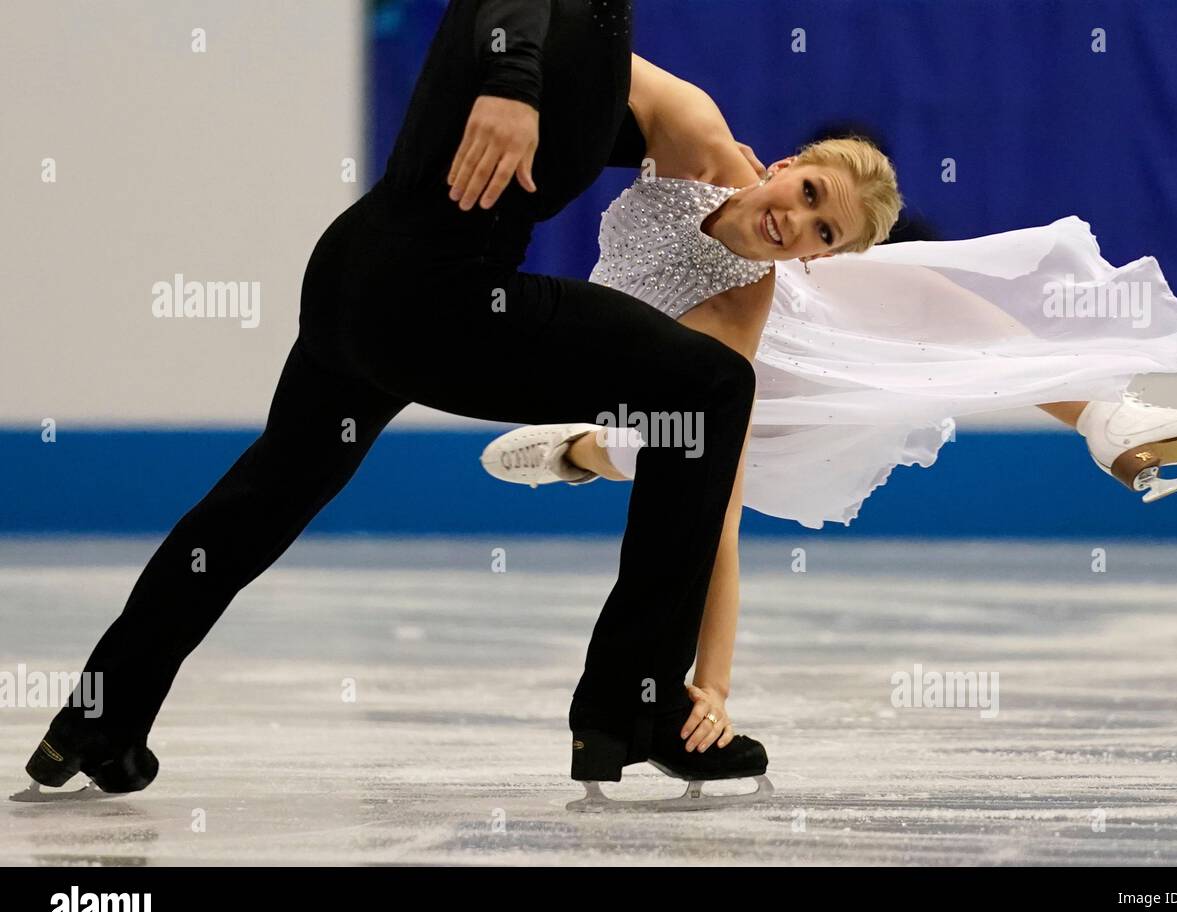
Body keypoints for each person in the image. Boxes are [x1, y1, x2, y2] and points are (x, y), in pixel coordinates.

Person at [22, 1, 770, 805]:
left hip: (364, 279)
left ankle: (101, 716)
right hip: (440, 297)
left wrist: (693, 162)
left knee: (260, 500)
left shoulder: (605, 57)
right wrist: (512, 85)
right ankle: (632, 705)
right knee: (712, 386)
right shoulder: (551, 26)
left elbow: (582, 122)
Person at [480, 54, 1177, 750]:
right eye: (809, 193)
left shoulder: (740, 318)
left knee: (918, 302)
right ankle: (572, 451)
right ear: (785, 163)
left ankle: (1113, 420)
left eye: (824, 233)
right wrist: (504, 80)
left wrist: (713, 683)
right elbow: (605, 56)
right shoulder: (700, 138)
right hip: (642, 365)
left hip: (778, 356)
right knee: (638, 447)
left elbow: (714, 514)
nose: (796, 223)